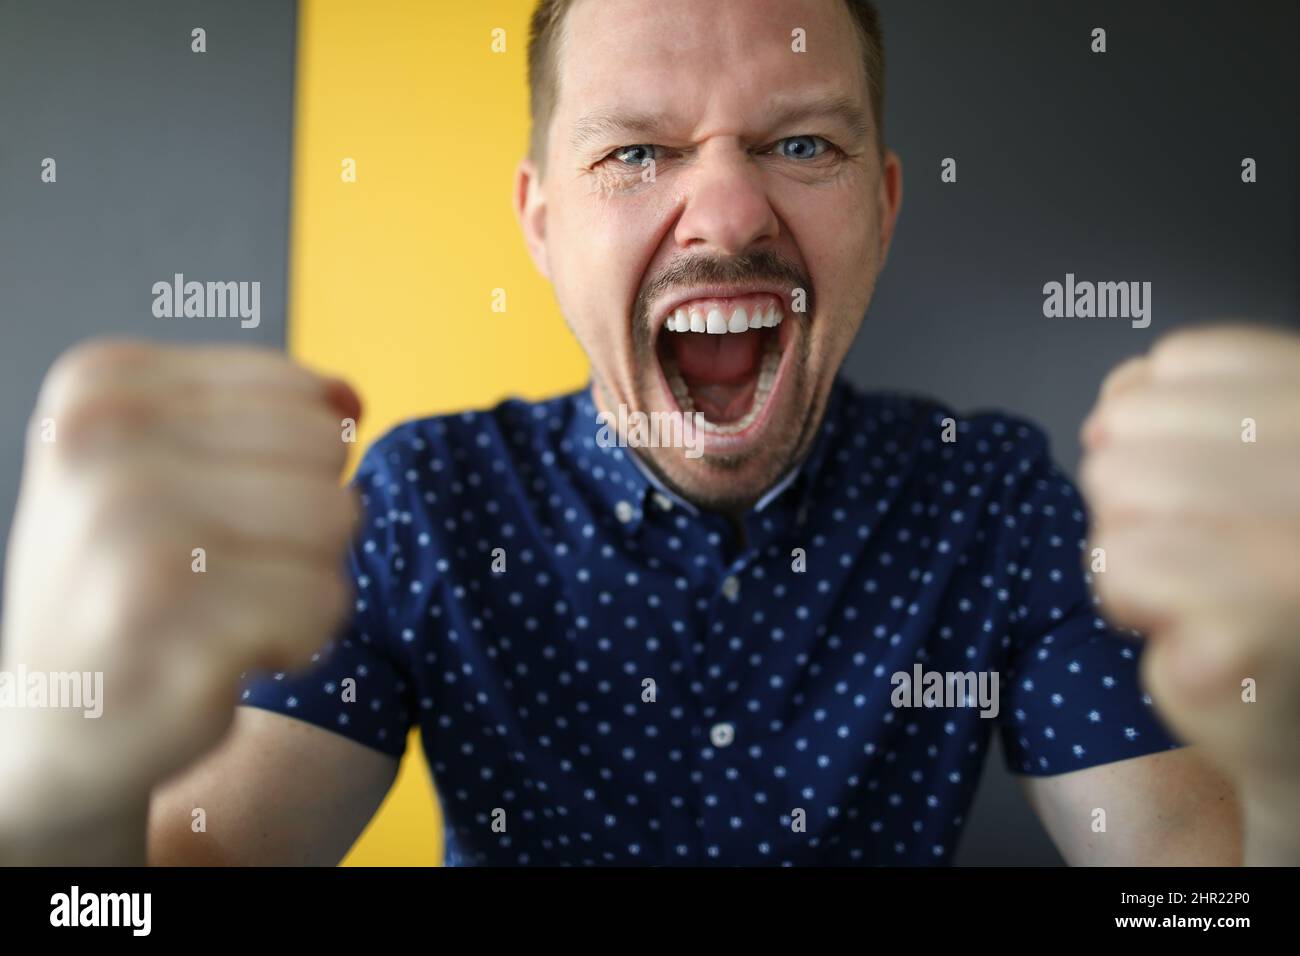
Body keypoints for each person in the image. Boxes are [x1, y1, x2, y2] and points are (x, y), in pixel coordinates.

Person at [2, 0, 1296, 866]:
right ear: (543, 224)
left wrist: (1288, 764)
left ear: (884, 209)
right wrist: (55, 789)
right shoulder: (421, 502)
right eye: (634, 153)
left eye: (800, 141)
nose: (726, 207)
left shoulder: (992, 498)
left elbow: (1187, 883)